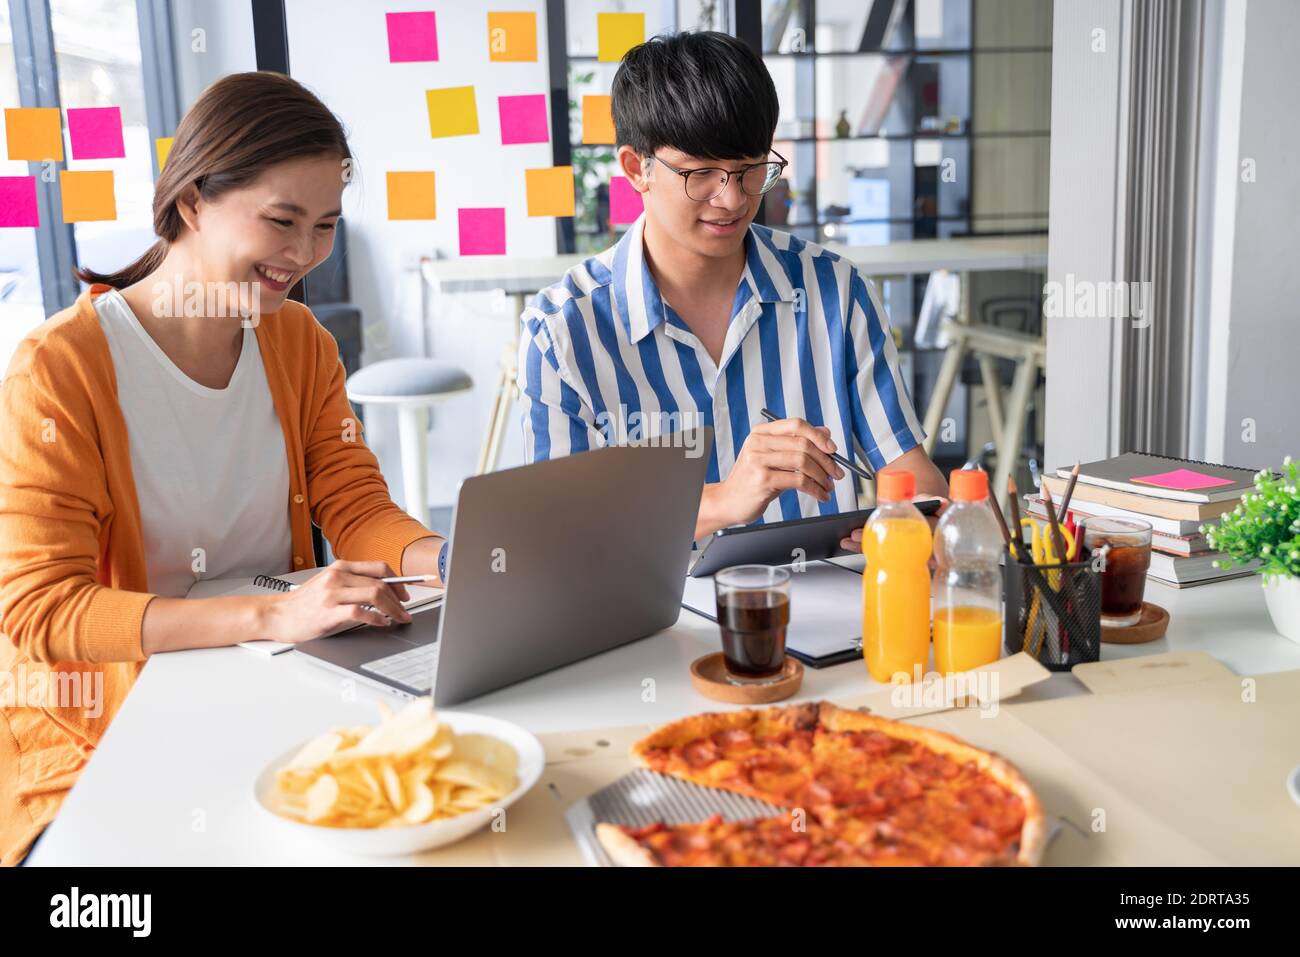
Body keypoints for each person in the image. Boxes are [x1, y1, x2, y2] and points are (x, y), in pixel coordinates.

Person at [0, 72, 446, 865]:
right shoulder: (59, 370)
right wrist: (271, 616)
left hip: (277, 686)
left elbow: (353, 501)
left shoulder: (299, 340)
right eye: (282, 220)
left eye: (325, 226)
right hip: (104, 729)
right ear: (193, 202)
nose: (304, 255)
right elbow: (41, 613)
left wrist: (444, 557)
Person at [518, 32, 947, 546]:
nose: (731, 199)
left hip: (822, 604)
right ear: (637, 169)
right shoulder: (564, 331)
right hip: (652, 619)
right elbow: (560, 535)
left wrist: (915, 527)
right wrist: (724, 499)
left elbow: (911, 474)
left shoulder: (834, 290)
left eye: (749, 171)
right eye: (701, 174)